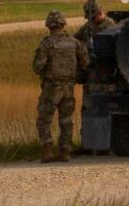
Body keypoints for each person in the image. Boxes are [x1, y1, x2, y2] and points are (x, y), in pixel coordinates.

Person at [33, 10, 88, 162]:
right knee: (66, 121)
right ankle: (65, 151)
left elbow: (37, 67)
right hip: (68, 88)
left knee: (44, 119)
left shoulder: (47, 44)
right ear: (63, 24)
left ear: (49, 26)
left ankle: (47, 150)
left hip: (51, 88)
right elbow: (85, 62)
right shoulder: (74, 43)